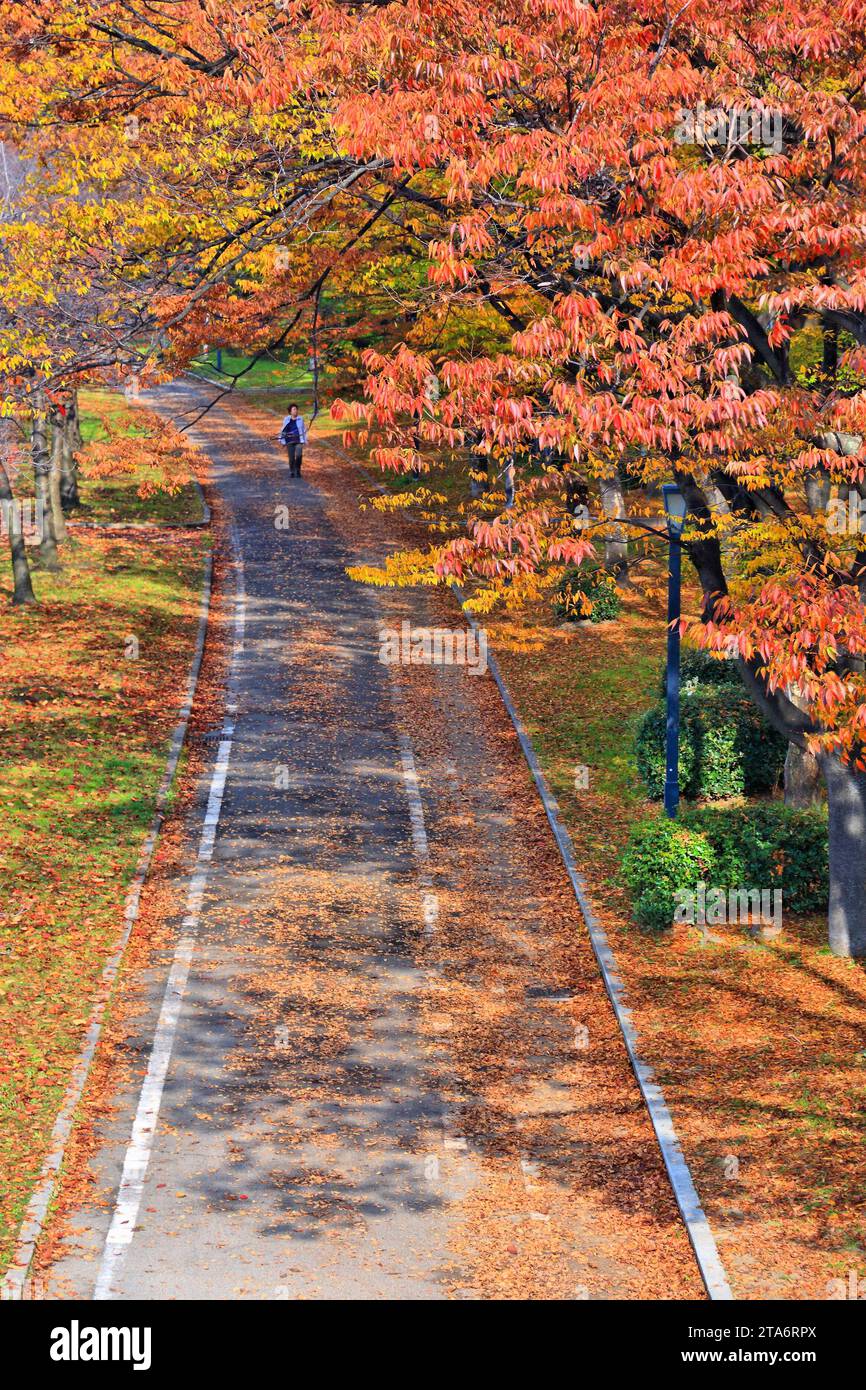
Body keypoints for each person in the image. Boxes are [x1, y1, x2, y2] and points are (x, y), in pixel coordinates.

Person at [278, 404, 307, 476]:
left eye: (296, 409)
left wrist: (305, 440)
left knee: (299, 456)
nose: (296, 411)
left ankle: (298, 470)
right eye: (294, 409)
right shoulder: (286, 419)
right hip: (289, 441)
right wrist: (282, 441)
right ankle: (292, 471)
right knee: (291, 458)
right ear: (290, 412)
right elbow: (283, 430)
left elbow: (304, 429)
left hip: (299, 440)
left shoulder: (301, 419)